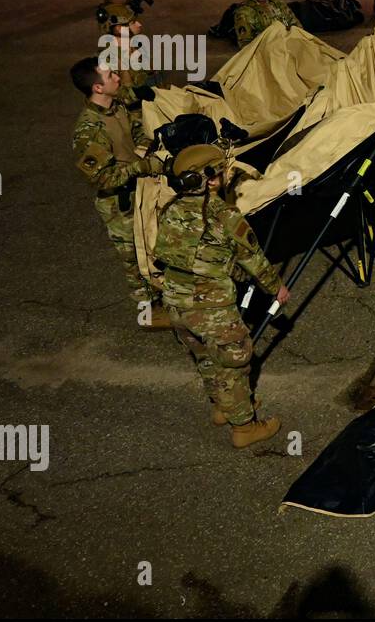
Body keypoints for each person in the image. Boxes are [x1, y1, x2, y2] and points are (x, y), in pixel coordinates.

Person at [153, 144, 289, 446]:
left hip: (175, 301)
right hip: (211, 306)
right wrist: (276, 288)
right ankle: (244, 428)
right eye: (222, 170)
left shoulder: (171, 207)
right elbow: (252, 258)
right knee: (234, 361)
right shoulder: (224, 215)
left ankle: (224, 408)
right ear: (211, 179)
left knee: (204, 356)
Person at [69, 55, 169, 328]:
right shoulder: (89, 130)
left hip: (138, 190)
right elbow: (102, 179)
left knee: (152, 248)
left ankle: (163, 299)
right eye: (110, 75)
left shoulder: (117, 104)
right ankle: (148, 315)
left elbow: (135, 131)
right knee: (133, 259)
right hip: (118, 203)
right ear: (97, 88)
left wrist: (146, 146)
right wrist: (143, 166)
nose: (117, 76)